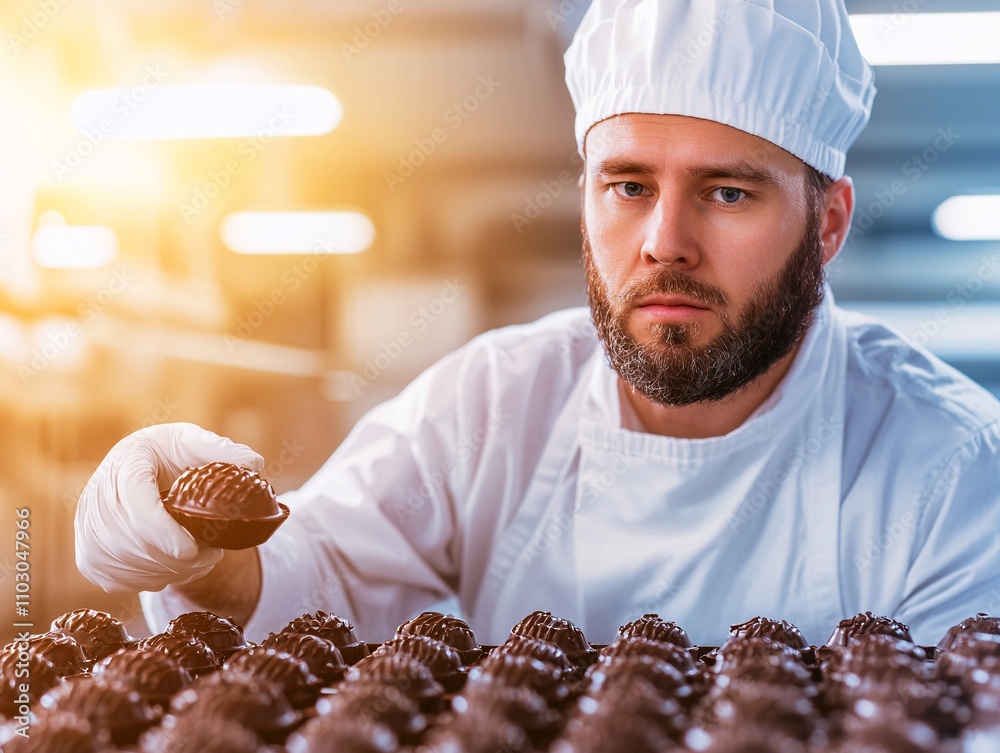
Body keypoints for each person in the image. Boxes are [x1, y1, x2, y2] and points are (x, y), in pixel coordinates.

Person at [75, 0, 1000, 646]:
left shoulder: (952, 474)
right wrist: (196, 555)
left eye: (728, 191)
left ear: (829, 221)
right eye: (629, 186)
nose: (663, 243)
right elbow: (308, 584)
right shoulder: (488, 406)